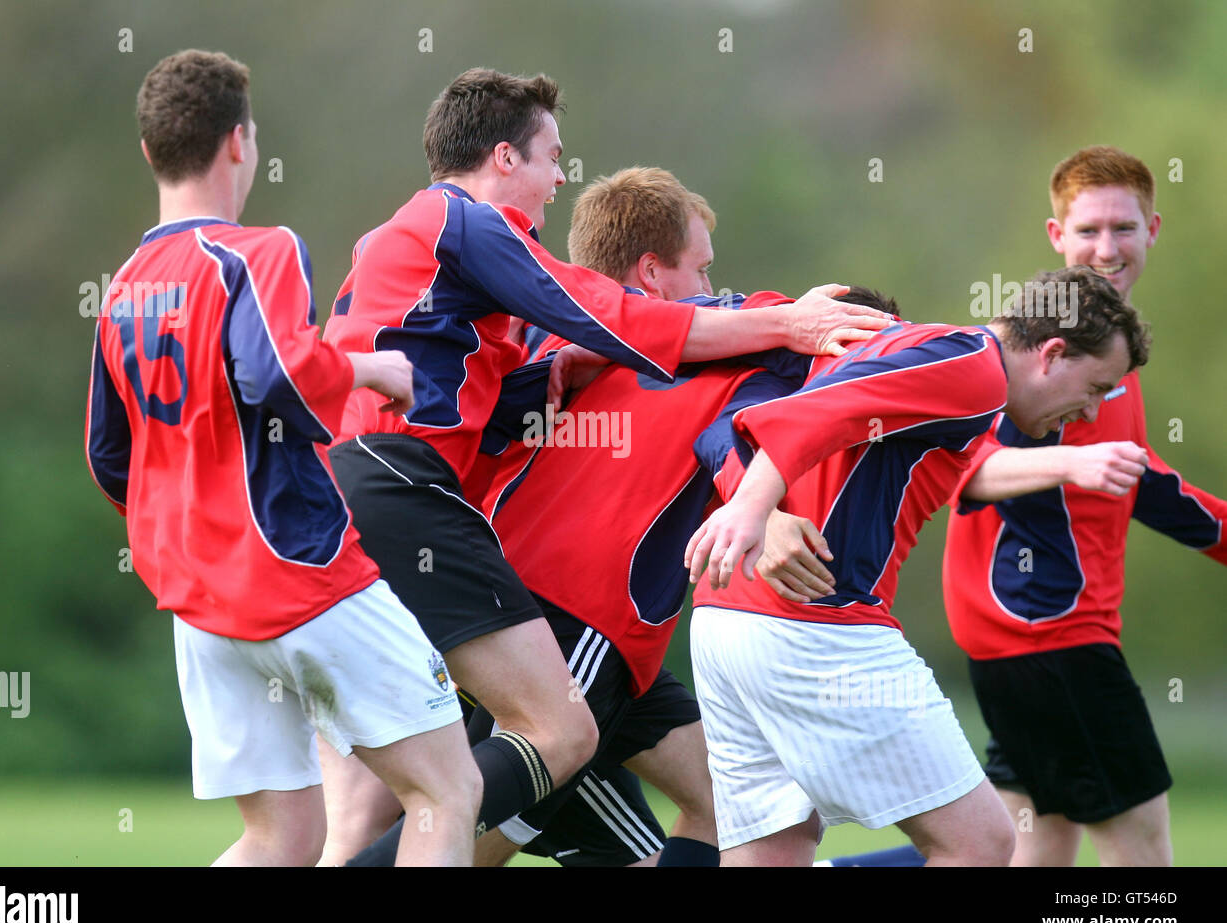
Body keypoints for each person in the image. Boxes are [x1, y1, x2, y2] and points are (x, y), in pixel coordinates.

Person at [326, 69, 892, 865]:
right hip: (430, 512)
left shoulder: (421, 248)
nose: (562, 177)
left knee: (741, 813)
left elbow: (468, 400)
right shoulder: (466, 222)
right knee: (521, 760)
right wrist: (790, 322)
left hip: (381, 498)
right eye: (553, 156)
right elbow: (607, 313)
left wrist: (544, 377)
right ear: (504, 156)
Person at [85, 49, 480, 866]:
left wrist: (192, 519)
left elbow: (108, 456)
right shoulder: (255, 252)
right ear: (239, 142)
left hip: (196, 602)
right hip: (295, 574)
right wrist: (371, 368)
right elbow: (280, 376)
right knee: (446, 789)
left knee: (282, 836)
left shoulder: (123, 284)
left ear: (151, 152)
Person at [684, 265, 1150, 866]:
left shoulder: (909, 348)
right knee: (981, 842)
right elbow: (823, 411)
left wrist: (757, 509)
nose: (1089, 414)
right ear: (1054, 353)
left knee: (771, 855)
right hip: (816, 624)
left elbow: (725, 424)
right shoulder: (975, 366)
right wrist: (753, 508)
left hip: (725, 624)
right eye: (1095, 388)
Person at [942, 146, 1227, 866]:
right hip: (1054, 643)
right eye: (1089, 230)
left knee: (1033, 851)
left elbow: (1146, 484)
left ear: (1153, 230)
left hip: (1027, 655)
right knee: (1144, 863)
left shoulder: (1110, 360)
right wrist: (1071, 459)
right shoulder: (1027, 353)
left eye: (1123, 229)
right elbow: (964, 469)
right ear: (1055, 236)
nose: (1107, 248)